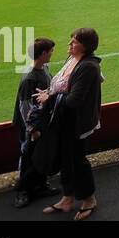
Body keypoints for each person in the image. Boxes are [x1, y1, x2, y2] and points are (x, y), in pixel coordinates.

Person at [38, 28, 102, 221]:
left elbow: (74, 100)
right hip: (63, 120)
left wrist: (49, 97)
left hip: (76, 123)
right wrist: (50, 95)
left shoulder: (89, 66)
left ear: (85, 45)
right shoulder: (72, 60)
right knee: (66, 160)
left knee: (77, 161)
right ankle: (67, 198)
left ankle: (89, 200)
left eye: (74, 41)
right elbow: (61, 86)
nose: (69, 44)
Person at [13, 36, 57, 208]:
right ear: (44, 53)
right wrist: (32, 129)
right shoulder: (29, 78)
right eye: (51, 51)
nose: (53, 53)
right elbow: (24, 107)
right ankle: (22, 192)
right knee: (27, 157)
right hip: (29, 126)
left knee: (40, 156)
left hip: (41, 122)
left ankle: (40, 186)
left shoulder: (44, 68)